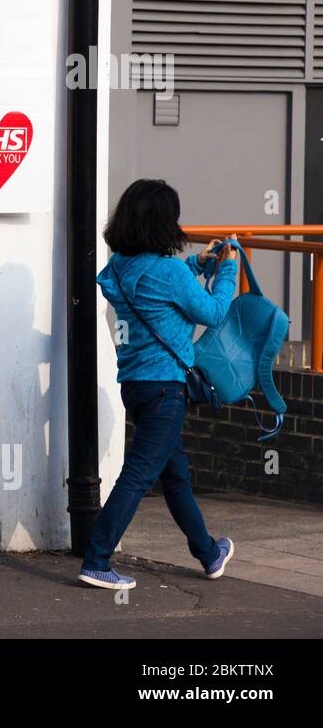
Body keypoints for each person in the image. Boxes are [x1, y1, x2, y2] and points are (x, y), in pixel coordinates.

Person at [79, 178, 240, 590]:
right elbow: (214, 312)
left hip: (136, 385)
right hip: (167, 389)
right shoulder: (167, 271)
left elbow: (158, 286)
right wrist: (228, 269)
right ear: (162, 223)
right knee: (137, 475)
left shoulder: (118, 268)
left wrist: (198, 266)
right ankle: (96, 558)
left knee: (175, 476)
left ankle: (208, 553)